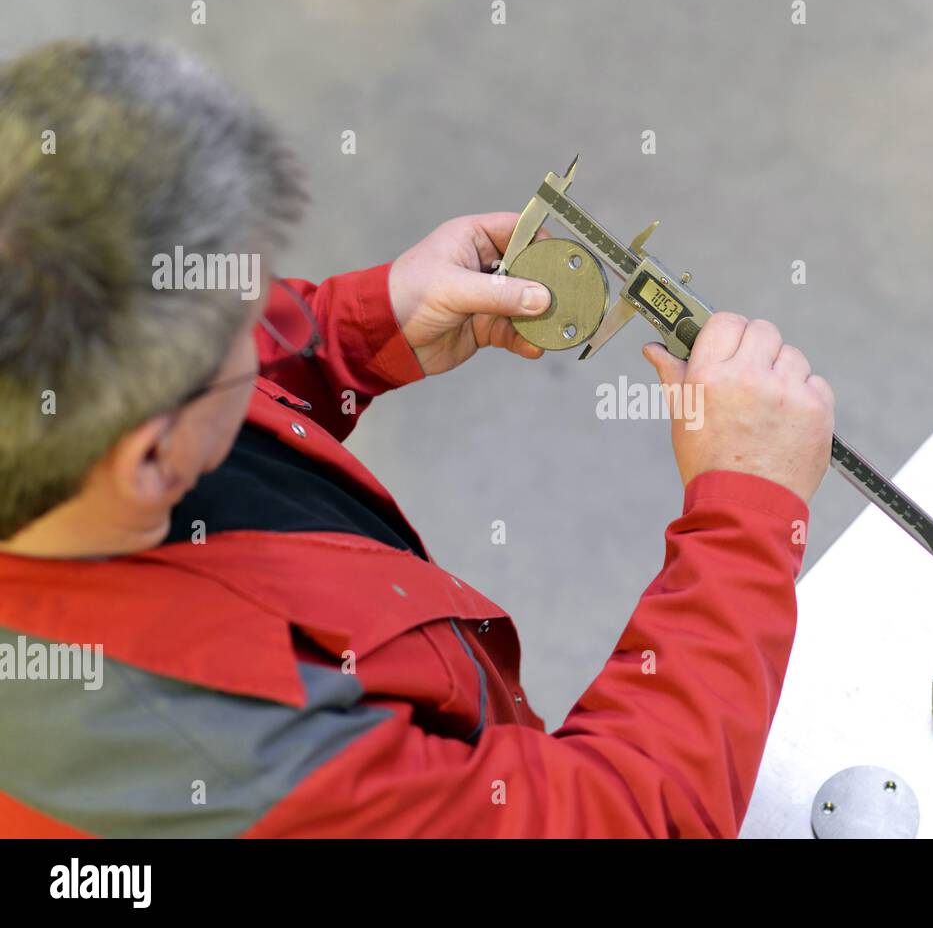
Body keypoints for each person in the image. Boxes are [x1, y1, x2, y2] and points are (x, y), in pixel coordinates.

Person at [0, 40, 833, 837]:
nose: (264, 316)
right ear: (149, 455)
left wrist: (355, 327)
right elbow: (619, 823)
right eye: (239, 318)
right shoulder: (234, 764)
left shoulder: (59, 413)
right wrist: (746, 516)